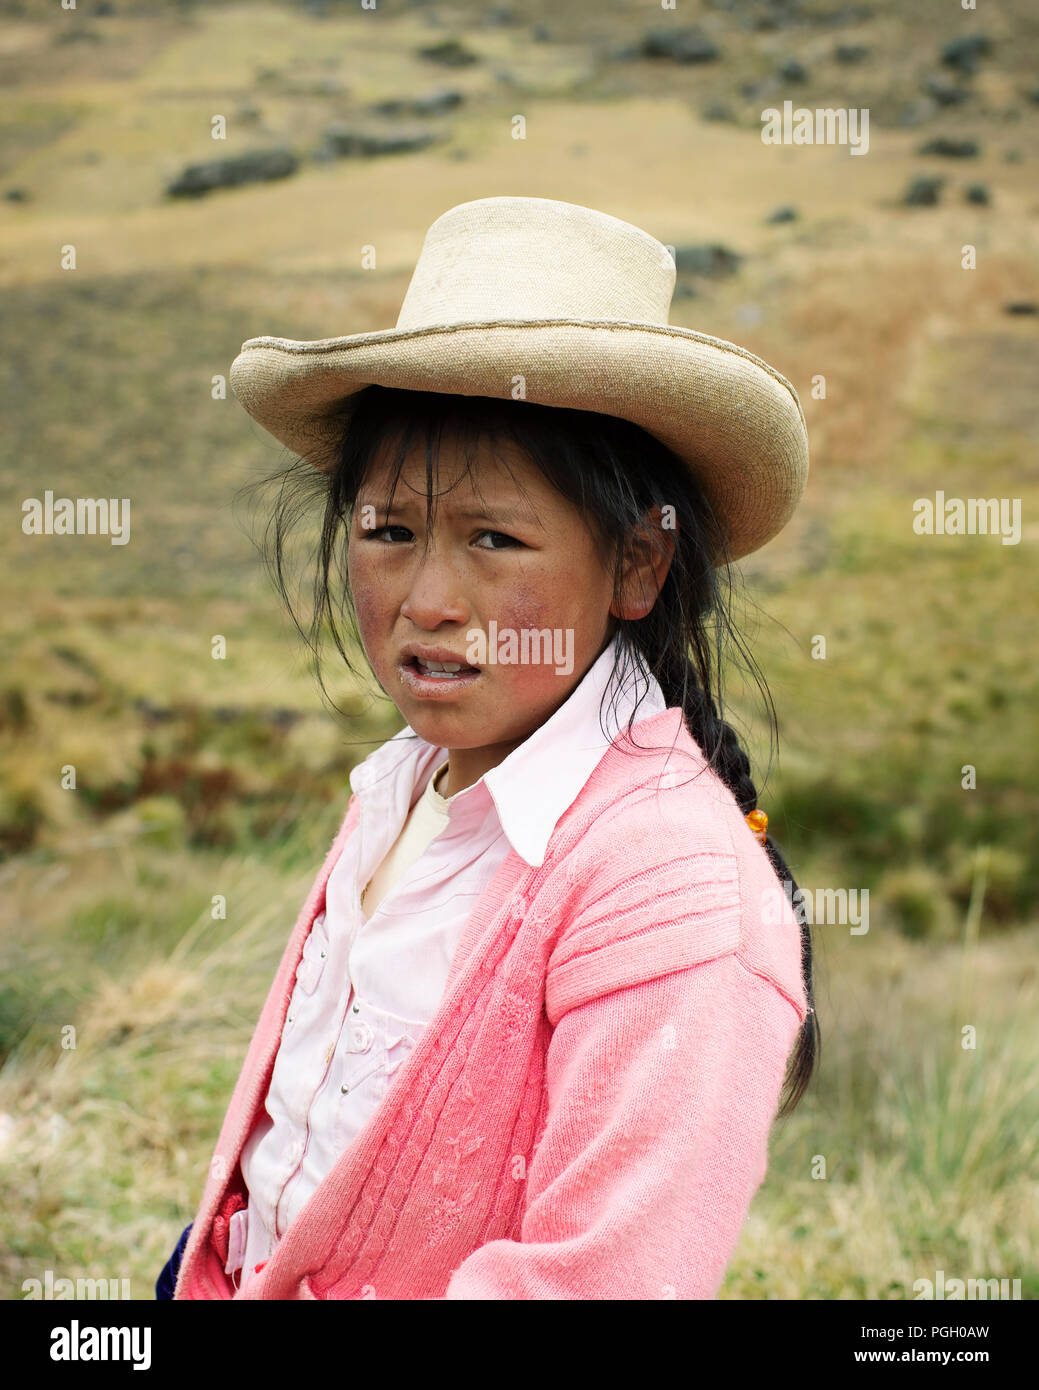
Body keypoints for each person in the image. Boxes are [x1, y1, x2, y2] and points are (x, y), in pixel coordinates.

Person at [160, 196, 818, 1301]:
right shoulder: (407, 783)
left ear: (637, 566)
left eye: (494, 538)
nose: (426, 600)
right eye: (388, 532)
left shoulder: (676, 895)